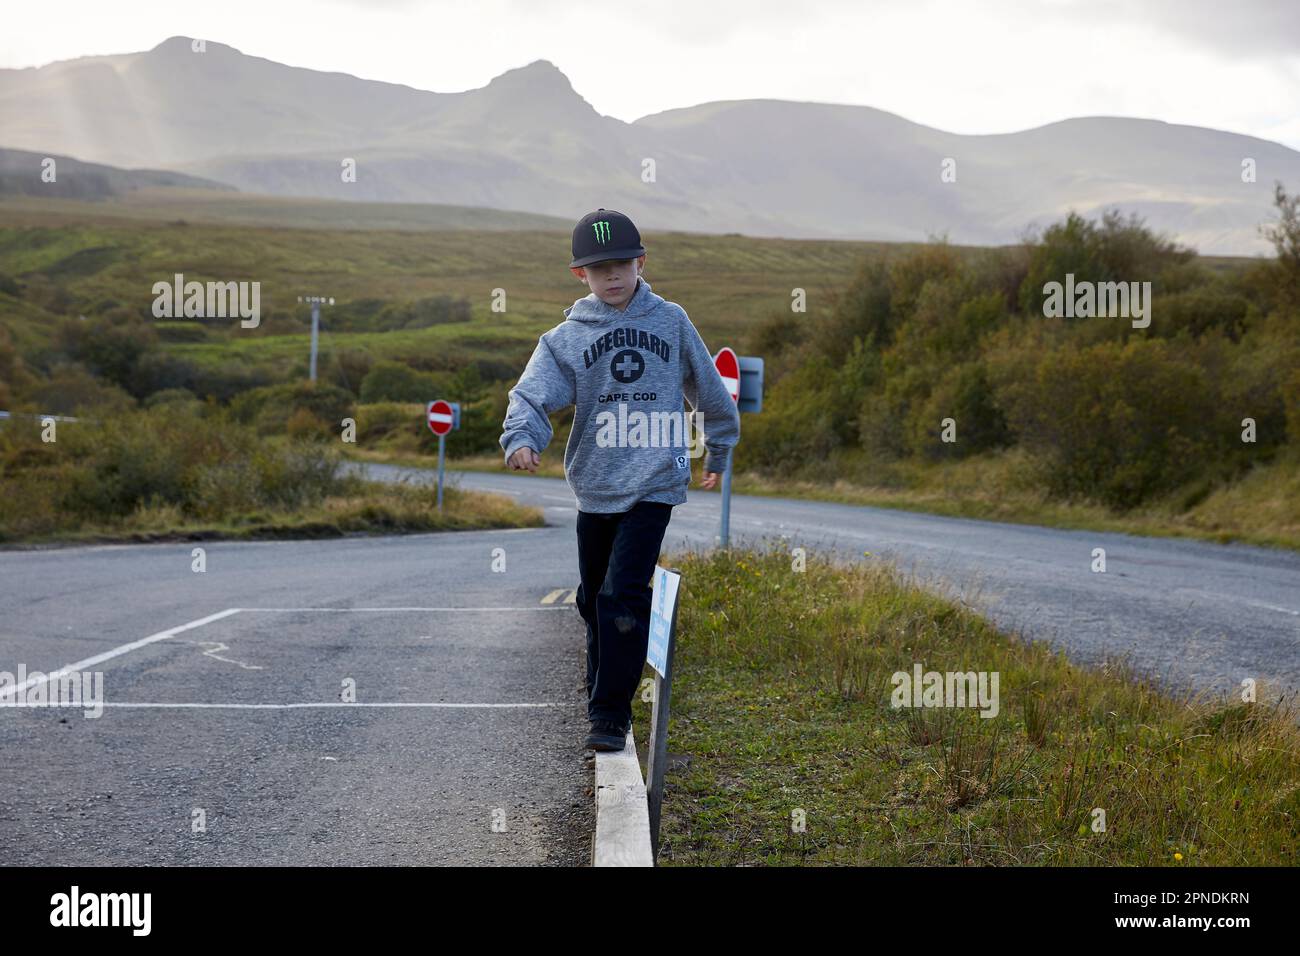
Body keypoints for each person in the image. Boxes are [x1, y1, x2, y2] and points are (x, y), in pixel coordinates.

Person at [499, 208, 741, 751]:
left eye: (622, 264)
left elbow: (707, 386)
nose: (612, 275)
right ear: (578, 274)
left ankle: (610, 714)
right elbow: (533, 393)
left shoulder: (670, 320)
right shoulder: (565, 338)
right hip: (596, 484)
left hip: (656, 481)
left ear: (641, 261)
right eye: (598, 267)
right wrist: (522, 438)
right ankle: (599, 686)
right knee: (593, 600)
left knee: (622, 593)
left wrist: (717, 450)